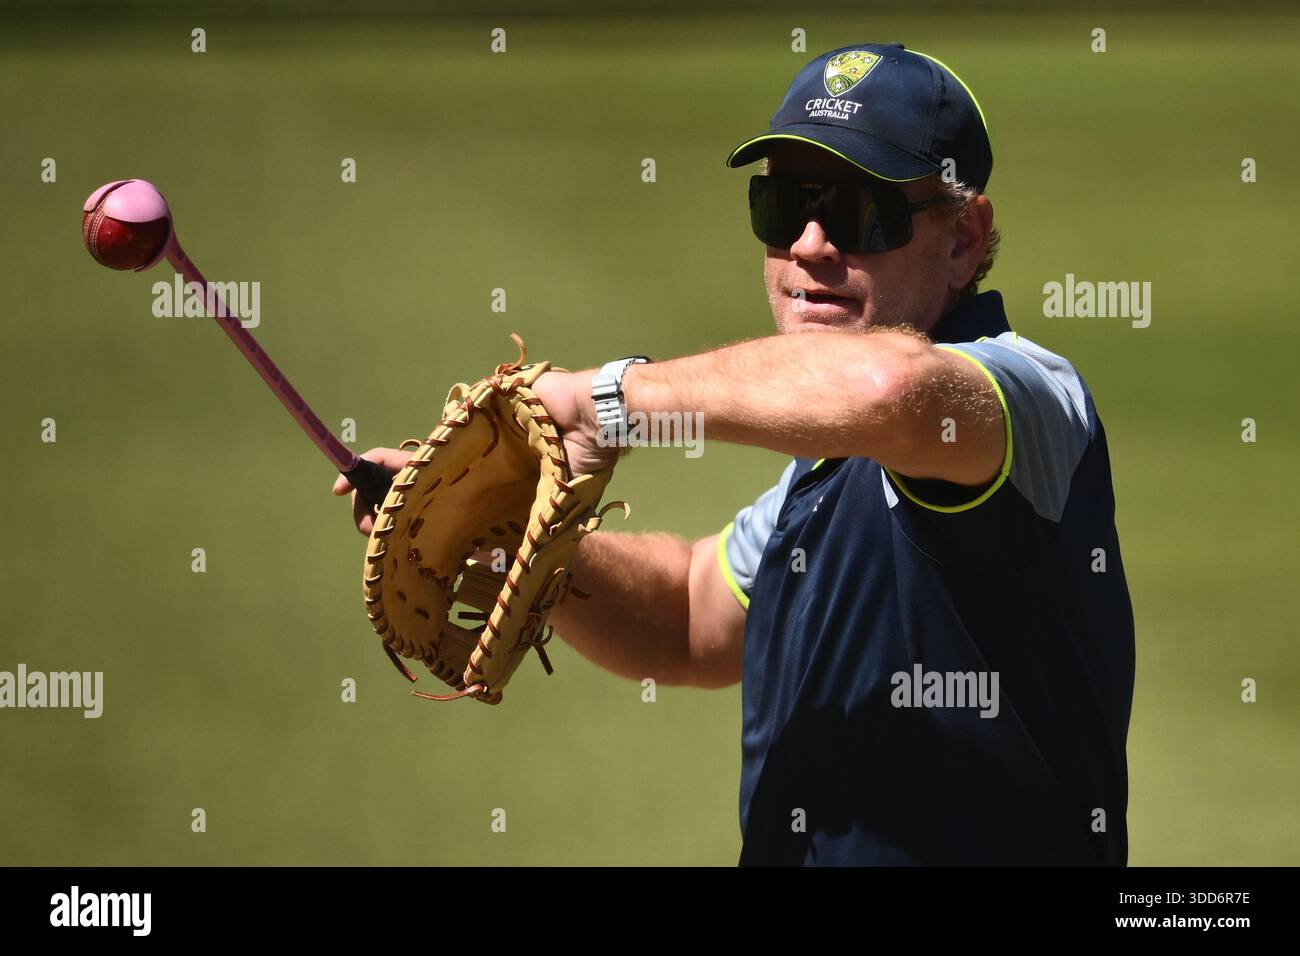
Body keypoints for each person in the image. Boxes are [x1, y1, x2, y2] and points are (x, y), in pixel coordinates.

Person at [335, 43, 1135, 866]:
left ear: (965, 239)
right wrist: (502, 533)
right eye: (786, 205)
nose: (812, 244)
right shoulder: (831, 463)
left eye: (863, 209)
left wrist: (605, 404)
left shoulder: (1025, 397)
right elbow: (687, 617)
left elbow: (889, 390)